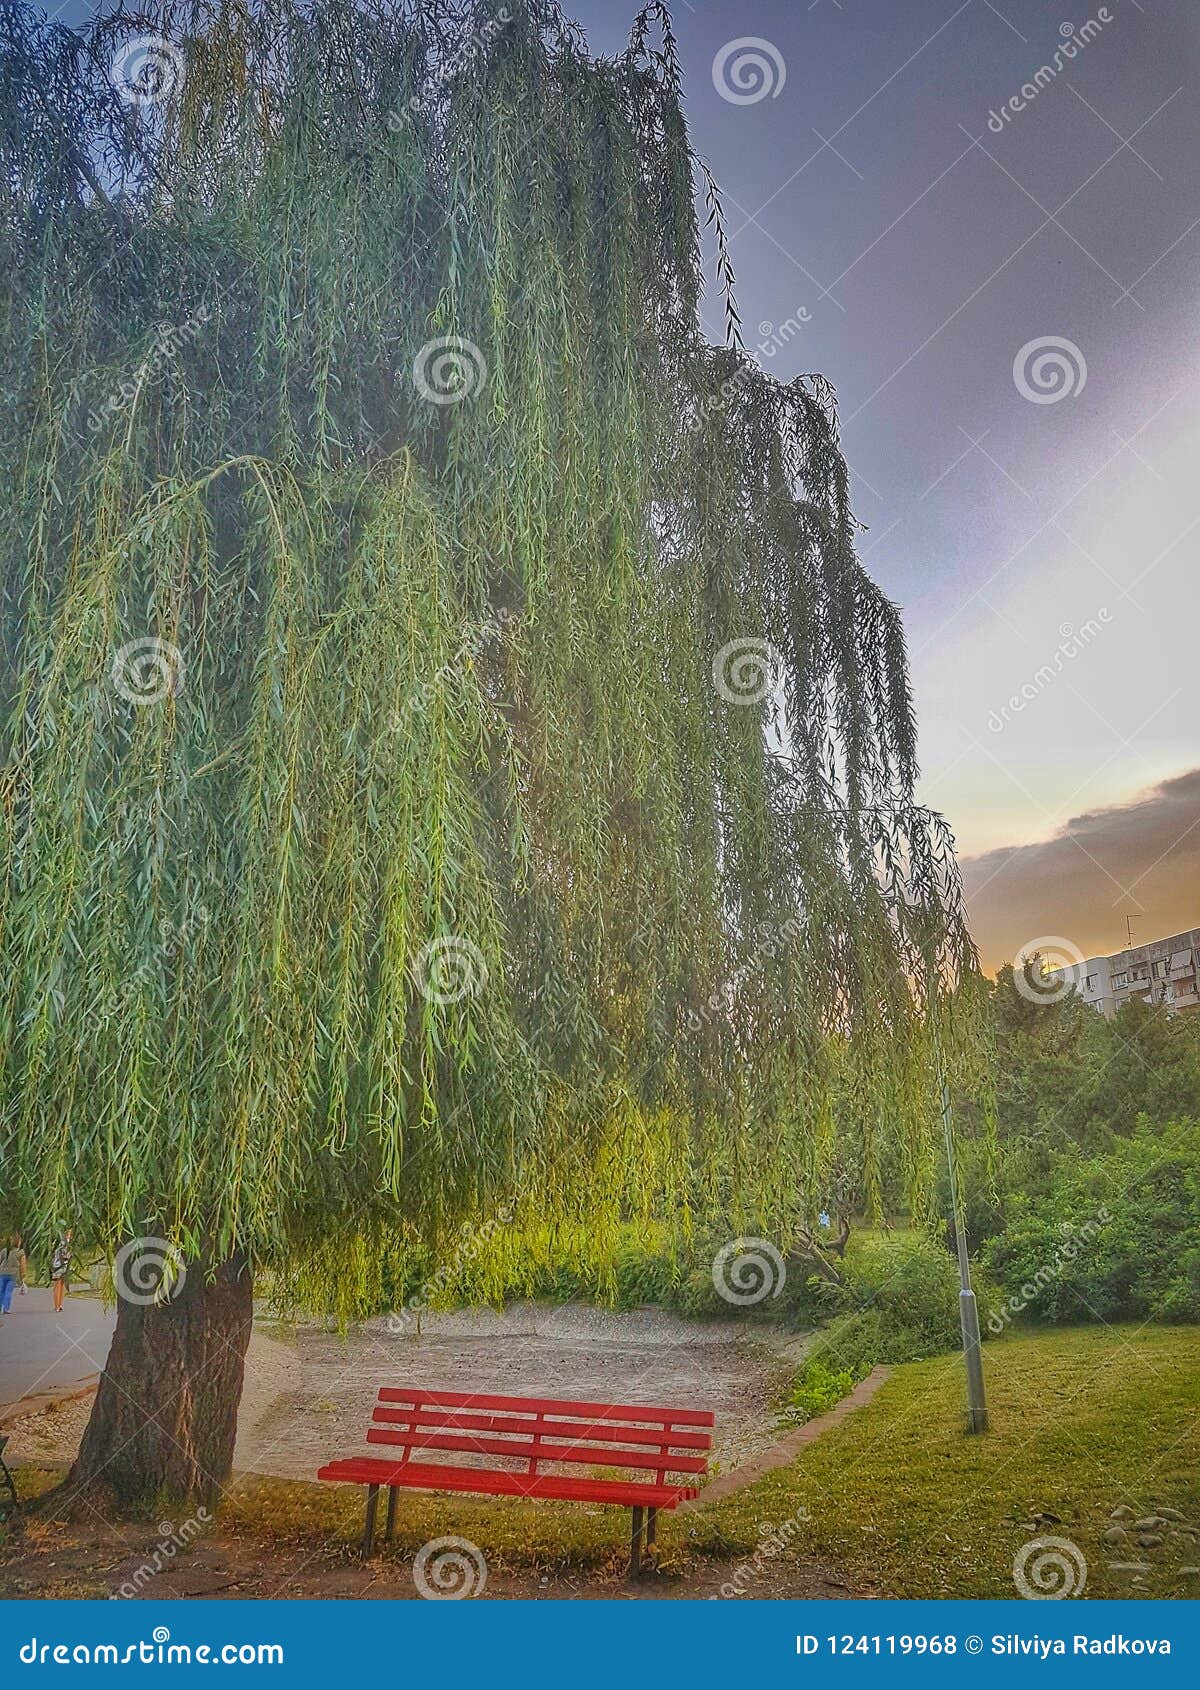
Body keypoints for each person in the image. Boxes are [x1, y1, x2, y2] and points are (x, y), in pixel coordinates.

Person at [0, 1233, 26, 1318]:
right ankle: (6, 1308)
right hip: (13, 1274)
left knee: (1, 1291)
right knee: (8, 1291)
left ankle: (0, 1306)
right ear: (18, 1242)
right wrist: (23, 1276)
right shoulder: (20, 1252)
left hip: (2, 1273)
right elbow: (22, 1265)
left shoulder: (5, 1250)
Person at [50, 1228, 72, 1314]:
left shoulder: (58, 1241)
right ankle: (57, 1305)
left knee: (61, 1285)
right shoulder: (64, 1242)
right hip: (60, 1266)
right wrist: (70, 1254)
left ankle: (59, 1305)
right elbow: (65, 1255)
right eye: (70, 1231)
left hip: (58, 1265)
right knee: (59, 1285)